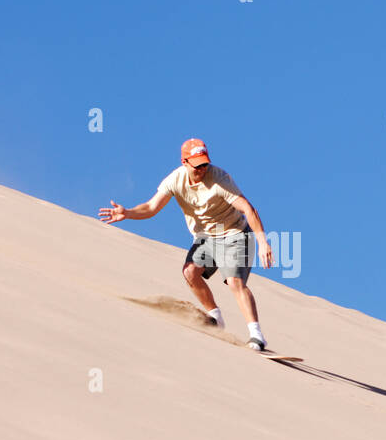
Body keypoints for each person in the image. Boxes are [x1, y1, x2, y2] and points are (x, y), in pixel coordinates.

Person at [99, 139, 275, 351]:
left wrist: (262, 241)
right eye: (197, 165)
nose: (202, 169)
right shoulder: (175, 180)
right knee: (190, 272)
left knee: (234, 281)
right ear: (184, 162)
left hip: (234, 233)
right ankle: (215, 317)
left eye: (205, 164)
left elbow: (248, 209)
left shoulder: (219, 179)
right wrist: (127, 213)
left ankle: (256, 335)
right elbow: (151, 207)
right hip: (206, 237)